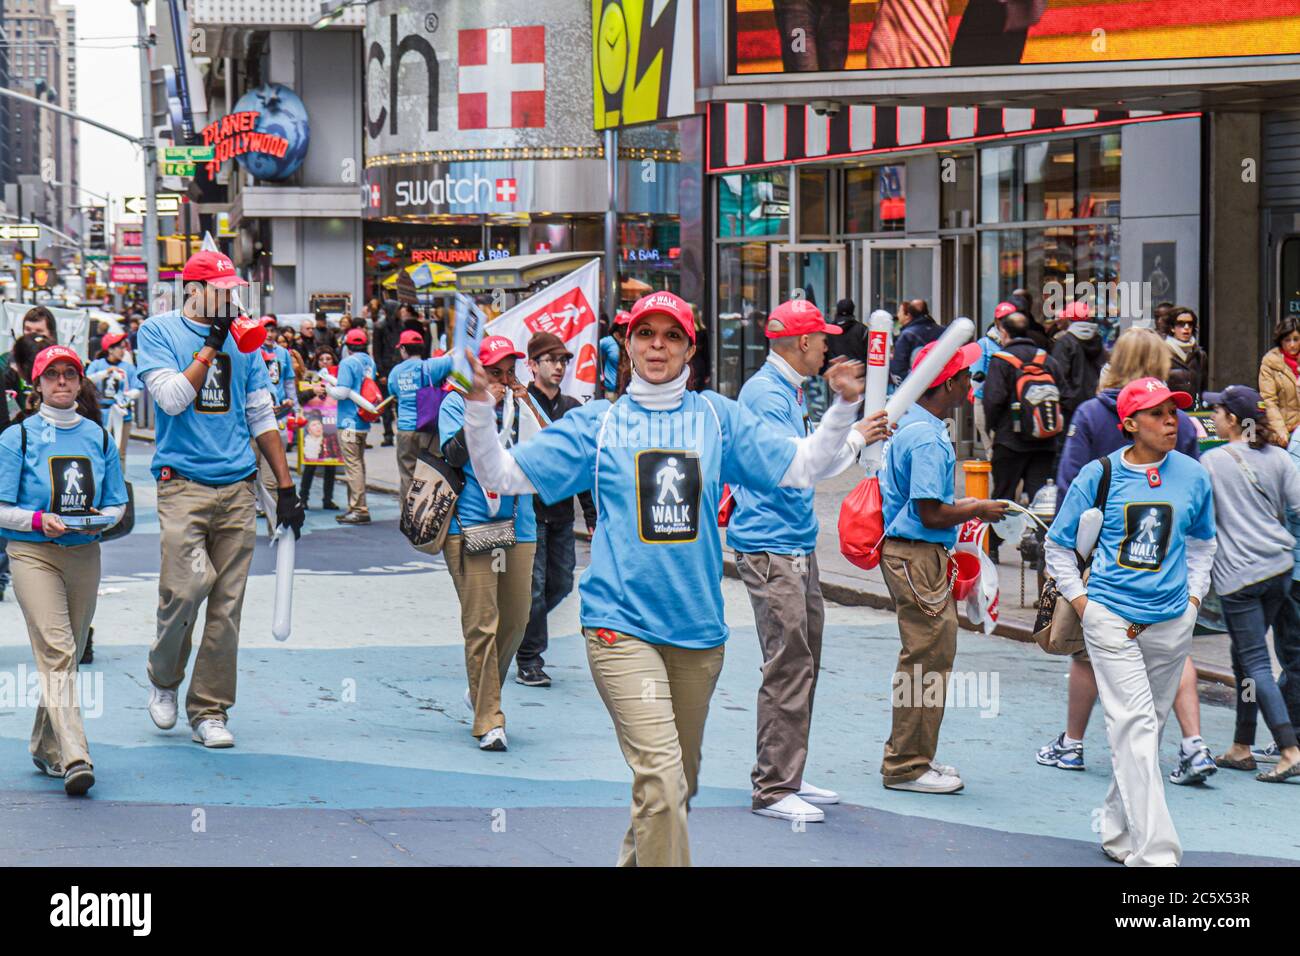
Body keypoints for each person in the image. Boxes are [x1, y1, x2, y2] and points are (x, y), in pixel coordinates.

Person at [456, 290, 866, 865]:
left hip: (698, 637)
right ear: (627, 345)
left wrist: (843, 409)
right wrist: (479, 407)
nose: (657, 345)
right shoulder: (598, 424)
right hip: (619, 628)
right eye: (645, 333)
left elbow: (801, 465)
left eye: (671, 335)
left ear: (690, 350)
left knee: (664, 791)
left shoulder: (716, 417)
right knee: (663, 780)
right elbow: (500, 472)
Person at [134, 249, 306, 749]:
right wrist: (209, 347)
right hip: (181, 482)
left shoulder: (246, 341)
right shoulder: (159, 331)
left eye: (235, 289)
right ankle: (163, 677)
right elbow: (169, 400)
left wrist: (286, 487)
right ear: (193, 288)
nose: (231, 297)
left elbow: (261, 416)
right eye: (221, 289)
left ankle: (209, 709)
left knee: (227, 606)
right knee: (186, 589)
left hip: (237, 486)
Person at [730, 298, 892, 822]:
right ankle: (774, 787)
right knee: (789, 663)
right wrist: (854, 434)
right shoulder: (766, 394)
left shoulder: (782, 390)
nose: (829, 345)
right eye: (822, 337)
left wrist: (849, 431)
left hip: (792, 544)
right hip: (773, 547)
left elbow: (807, 459)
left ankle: (786, 772)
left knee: (801, 661)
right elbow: (797, 468)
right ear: (802, 343)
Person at [1045, 378, 1215, 866]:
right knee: (1136, 726)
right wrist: (1083, 604)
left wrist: (1194, 600)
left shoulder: (1192, 474)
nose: (1171, 422)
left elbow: (1204, 542)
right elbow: (1058, 546)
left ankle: (1117, 831)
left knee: (1146, 732)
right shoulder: (1099, 475)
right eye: (1158, 413)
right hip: (1111, 619)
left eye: (1174, 412)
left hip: (1172, 622)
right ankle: (1157, 855)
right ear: (1129, 425)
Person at [878, 339, 1008, 794]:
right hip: (917, 555)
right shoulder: (928, 436)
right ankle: (907, 765)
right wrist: (977, 509)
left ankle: (911, 756)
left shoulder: (911, 424)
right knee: (928, 661)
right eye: (967, 377)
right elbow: (930, 512)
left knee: (926, 658)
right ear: (948, 382)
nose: (973, 385)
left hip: (910, 553)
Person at [0, 345, 128, 795]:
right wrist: (38, 521)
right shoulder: (17, 438)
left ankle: (43, 742)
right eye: (51, 374)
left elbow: (117, 502)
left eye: (68, 374)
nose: (60, 382)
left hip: (84, 551)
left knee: (68, 653)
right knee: (57, 650)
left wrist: (99, 517)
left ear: (79, 381)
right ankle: (76, 755)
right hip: (33, 553)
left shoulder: (97, 436)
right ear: (37, 384)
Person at [439, 335, 547, 752]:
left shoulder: (521, 408)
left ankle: (483, 689)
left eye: (508, 372)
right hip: (470, 525)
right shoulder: (456, 401)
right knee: (482, 622)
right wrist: (478, 405)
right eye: (494, 372)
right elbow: (452, 455)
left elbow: (549, 447)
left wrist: (525, 402)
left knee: (517, 620)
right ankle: (489, 719)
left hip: (519, 525)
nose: (503, 380)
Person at [1200, 386, 1300, 782]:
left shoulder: (1211, 462)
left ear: (1231, 419)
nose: (1214, 416)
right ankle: (1241, 745)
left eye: (1218, 410)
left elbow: (1201, 521)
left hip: (1238, 576)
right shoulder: (1279, 457)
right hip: (1278, 569)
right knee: (1245, 657)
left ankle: (1289, 749)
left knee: (1255, 660)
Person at [513, 332, 598, 688]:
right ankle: (529, 658)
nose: (559, 367)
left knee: (561, 583)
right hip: (528, 514)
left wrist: (592, 517)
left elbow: (584, 466)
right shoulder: (518, 406)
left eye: (564, 360)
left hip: (561, 514)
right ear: (532, 366)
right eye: (551, 360)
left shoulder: (573, 409)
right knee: (533, 589)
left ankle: (517, 629)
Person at [983, 309, 1064, 559]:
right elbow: (1064, 393)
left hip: (1010, 440)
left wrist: (994, 428)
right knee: (1040, 497)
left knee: (1003, 496)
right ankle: (1039, 551)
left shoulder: (1001, 360)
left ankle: (994, 548)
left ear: (1004, 331)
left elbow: (993, 399)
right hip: (1044, 441)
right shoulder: (1047, 359)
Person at [388, 328, 453, 501]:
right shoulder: (432, 366)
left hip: (405, 430)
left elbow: (392, 391)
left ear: (403, 349)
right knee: (432, 473)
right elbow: (456, 360)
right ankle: (429, 515)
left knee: (407, 473)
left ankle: (408, 517)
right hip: (429, 428)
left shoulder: (395, 372)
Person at [328, 327, 377, 525]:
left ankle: (358, 508)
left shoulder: (348, 362)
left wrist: (329, 388)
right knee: (359, 462)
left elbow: (342, 392)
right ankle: (356, 505)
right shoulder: (369, 362)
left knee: (353, 464)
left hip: (348, 420)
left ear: (348, 346)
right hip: (362, 420)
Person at [85, 331, 145, 470]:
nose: (123, 351)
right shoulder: (97, 365)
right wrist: (105, 373)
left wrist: (125, 397)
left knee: (119, 453)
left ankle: (119, 485)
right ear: (110, 349)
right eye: (120, 347)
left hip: (122, 414)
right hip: (100, 414)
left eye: (124, 347)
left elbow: (138, 388)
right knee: (99, 452)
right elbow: (87, 381)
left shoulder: (129, 368)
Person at [253, 316, 298, 499]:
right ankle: (255, 500)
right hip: (256, 416)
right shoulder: (253, 351)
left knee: (273, 465)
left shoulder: (283, 353)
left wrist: (292, 403)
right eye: (266, 331)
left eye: (273, 331)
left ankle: (270, 504)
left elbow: (288, 380)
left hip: (278, 416)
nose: (270, 335)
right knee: (252, 465)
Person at [298, 347, 342, 510]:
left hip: (331, 423)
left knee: (331, 463)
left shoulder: (338, 378)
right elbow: (300, 399)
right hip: (313, 423)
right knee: (310, 464)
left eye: (328, 359)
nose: (325, 362)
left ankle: (327, 499)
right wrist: (312, 391)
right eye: (322, 359)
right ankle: (303, 498)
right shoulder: (310, 378)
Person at [1051, 300, 1107, 421]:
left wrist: (1067, 402)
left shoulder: (1065, 342)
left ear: (1069, 319)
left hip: (1071, 411)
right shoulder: (1098, 340)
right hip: (1096, 404)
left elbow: (1057, 375)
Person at [971, 303, 1012, 459]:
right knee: (993, 449)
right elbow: (976, 375)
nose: (1005, 324)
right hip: (986, 400)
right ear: (996, 321)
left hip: (1011, 402)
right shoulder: (985, 344)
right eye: (1002, 320)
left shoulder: (1017, 343)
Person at [1259, 316, 1300, 448]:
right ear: (1280, 341)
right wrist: (1280, 430)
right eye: (1287, 340)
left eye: (1296, 339)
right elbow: (1269, 400)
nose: (1292, 344)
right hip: (1284, 433)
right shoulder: (1270, 362)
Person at [1159, 307, 1208, 405]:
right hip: (1169, 409)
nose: (1186, 327)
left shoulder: (1200, 355)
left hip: (1194, 410)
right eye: (1181, 324)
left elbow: (1202, 387)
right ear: (1172, 328)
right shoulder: (1161, 352)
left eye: (1190, 324)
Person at [888, 299, 941, 386]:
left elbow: (898, 367)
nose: (897, 315)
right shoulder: (942, 331)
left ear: (909, 314)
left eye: (899, 311)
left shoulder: (908, 334)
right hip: (939, 384)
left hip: (914, 386)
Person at [823, 297, 869, 367]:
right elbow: (868, 356)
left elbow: (823, 355)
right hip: (856, 375)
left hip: (833, 374)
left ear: (837, 310)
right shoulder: (862, 330)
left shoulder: (829, 330)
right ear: (853, 310)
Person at [599, 319, 624, 397]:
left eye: (627, 324)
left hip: (627, 391)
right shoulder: (608, 341)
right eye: (623, 326)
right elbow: (592, 350)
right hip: (610, 391)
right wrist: (600, 375)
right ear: (617, 327)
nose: (625, 328)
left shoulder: (631, 342)